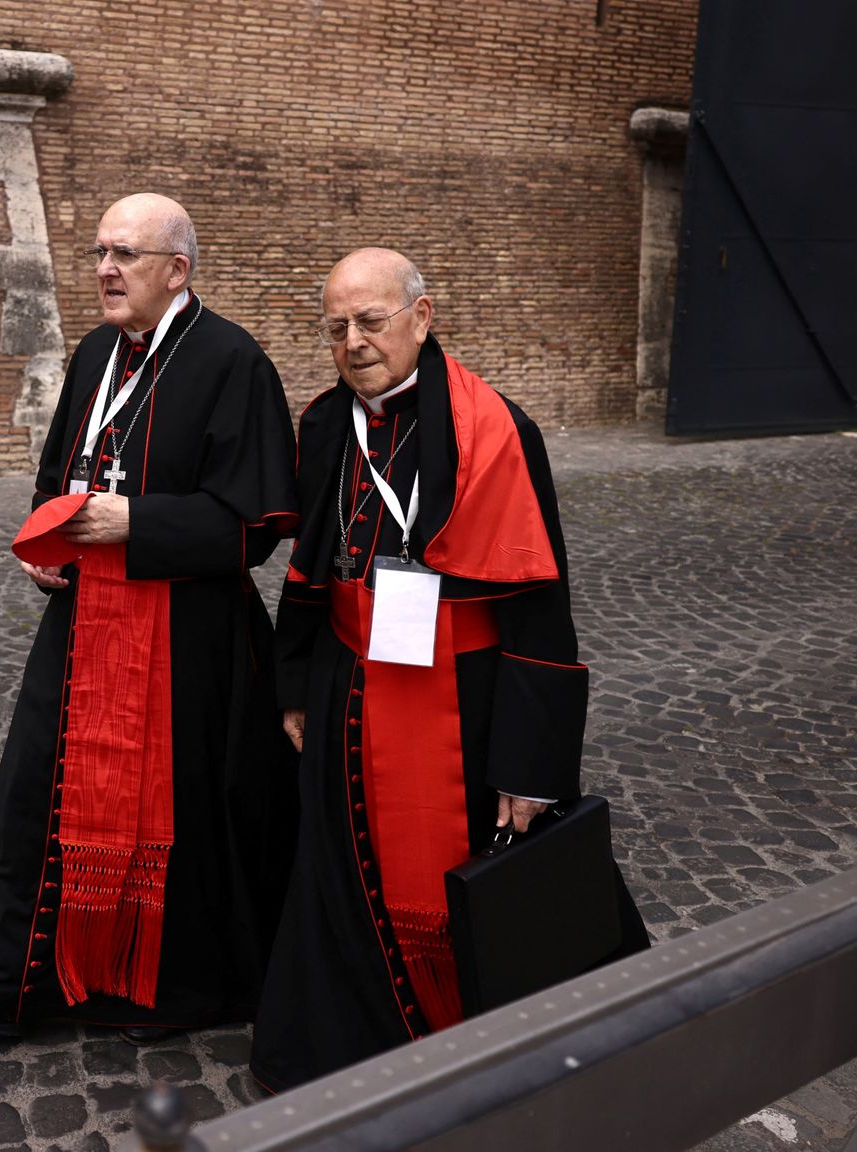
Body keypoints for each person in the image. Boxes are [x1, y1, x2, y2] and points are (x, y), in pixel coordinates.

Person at [0, 194, 301, 1042]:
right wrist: (45, 542)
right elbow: (59, 477)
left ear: (176, 270)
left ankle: (169, 990)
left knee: (182, 817)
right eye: (99, 254)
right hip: (83, 624)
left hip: (188, 636)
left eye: (124, 254)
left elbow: (254, 527)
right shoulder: (93, 354)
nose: (106, 270)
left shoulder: (233, 362)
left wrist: (136, 522)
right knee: (33, 797)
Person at [250, 248, 648, 1091]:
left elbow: (540, 603)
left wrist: (533, 767)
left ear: (422, 319)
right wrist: (295, 684)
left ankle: (482, 1041)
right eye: (336, 328)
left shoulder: (496, 427)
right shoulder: (324, 424)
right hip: (349, 684)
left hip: (465, 697)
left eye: (371, 321)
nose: (354, 342)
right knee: (343, 870)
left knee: (477, 878)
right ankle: (361, 1046)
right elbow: (310, 569)